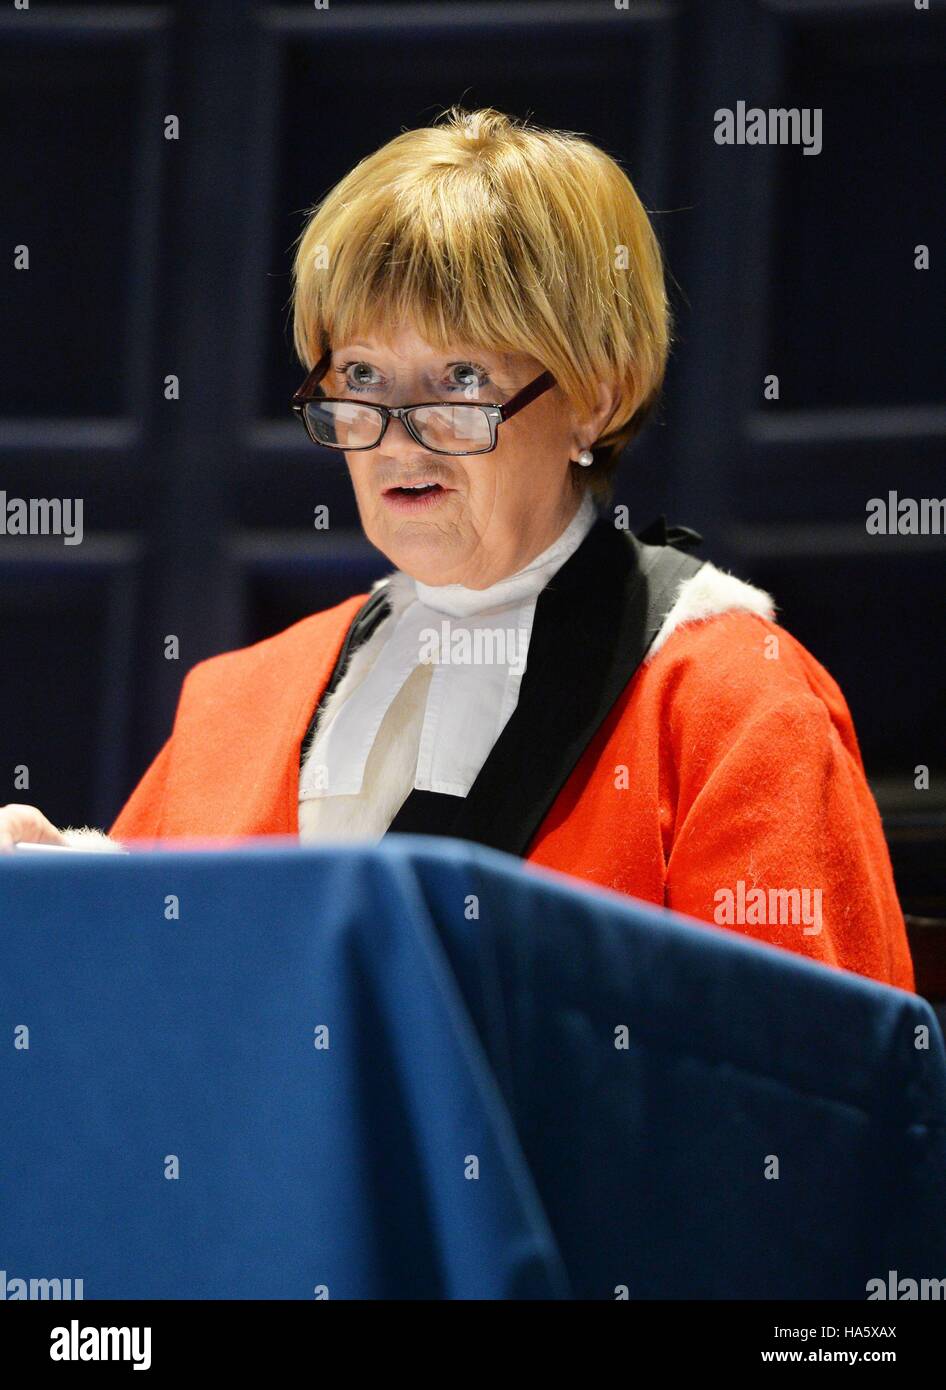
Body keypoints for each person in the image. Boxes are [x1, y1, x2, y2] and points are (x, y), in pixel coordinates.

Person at [0, 107, 914, 991]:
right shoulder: (242, 698)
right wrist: (66, 906)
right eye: (361, 377)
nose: (397, 441)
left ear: (594, 398)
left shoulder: (729, 700)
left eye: (459, 379)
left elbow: (804, 1093)